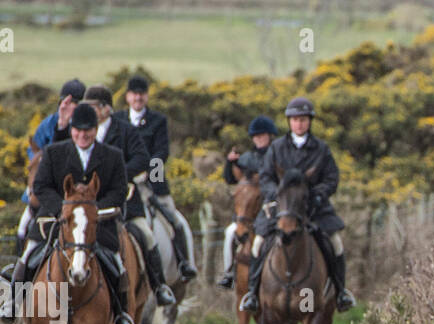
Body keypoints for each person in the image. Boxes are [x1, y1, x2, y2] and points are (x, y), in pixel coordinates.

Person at [0, 102, 136, 324]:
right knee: (29, 254)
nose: (82, 136)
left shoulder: (112, 156)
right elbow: (41, 186)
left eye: (88, 131)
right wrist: (63, 209)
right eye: (78, 131)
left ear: (95, 129)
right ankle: (12, 302)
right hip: (55, 220)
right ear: (72, 130)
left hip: (97, 223)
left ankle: (121, 315)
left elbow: (119, 191)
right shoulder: (54, 153)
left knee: (116, 263)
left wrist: (89, 211)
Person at [58, 84, 175, 308]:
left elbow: (142, 158)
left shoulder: (126, 130)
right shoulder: (80, 131)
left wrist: (117, 175)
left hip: (121, 201)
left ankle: (159, 287)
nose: (89, 112)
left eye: (92, 107)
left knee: (146, 236)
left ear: (106, 109)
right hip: (80, 205)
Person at [240, 96, 354, 313]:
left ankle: (341, 293)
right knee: (258, 244)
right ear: (289, 122)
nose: (298, 124)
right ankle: (252, 294)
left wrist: (317, 195)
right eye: (294, 120)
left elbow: (331, 179)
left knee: (336, 243)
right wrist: (278, 195)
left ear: (309, 121)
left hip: (314, 208)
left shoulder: (321, 149)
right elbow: (265, 177)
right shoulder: (277, 147)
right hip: (280, 209)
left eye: (302, 119)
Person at [116, 74, 197, 280]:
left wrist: (150, 175)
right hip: (124, 183)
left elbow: (162, 152)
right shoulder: (118, 120)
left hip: (152, 183)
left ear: (147, 97)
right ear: (127, 97)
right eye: (134, 94)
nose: (138, 98)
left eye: (141, 94)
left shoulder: (158, 121)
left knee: (174, 220)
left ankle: (184, 263)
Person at [13, 78, 86, 252]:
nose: (70, 107)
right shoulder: (48, 123)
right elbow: (34, 153)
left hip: (74, 189)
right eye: (66, 102)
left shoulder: (84, 127)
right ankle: (17, 272)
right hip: (44, 185)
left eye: (75, 103)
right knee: (22, 228)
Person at [216, 114, 276, 289]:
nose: (258, 139)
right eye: (255, 136)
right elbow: (230, 180)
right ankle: (228, 273)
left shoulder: (278, 154)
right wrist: (230, 163)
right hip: (247, 216)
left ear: (270, 136)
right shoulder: (247, 158)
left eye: (262, 135)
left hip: (271, 211)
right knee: (229, 233)